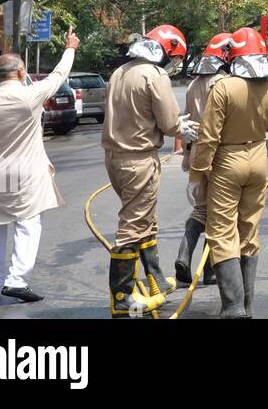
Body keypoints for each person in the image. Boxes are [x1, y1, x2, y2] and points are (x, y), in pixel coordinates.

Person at [0, 28, 80, 302]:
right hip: (27, 173)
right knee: (28, 225)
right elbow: (59, 75)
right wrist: (70, 47)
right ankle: (16, 280)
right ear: (20, 71)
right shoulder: (31, 95)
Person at [190, 27, 268, 318]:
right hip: (259, 158)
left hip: (227, 162)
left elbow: (208, 137)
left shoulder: (224, 88)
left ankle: (232, 307)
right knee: (249, 231)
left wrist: (197, 173)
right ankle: (248, 305)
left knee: (221, 232)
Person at [102, 24, 192, 317]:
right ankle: (122, 297)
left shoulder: (120, 72)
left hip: (115, 158)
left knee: (145, 221)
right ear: (166, 52)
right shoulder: (154, 75)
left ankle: (154, 281)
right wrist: (185, 129)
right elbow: (169, 123)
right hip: (138, 160)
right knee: (132, 227)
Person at [174, 33, 232, 287]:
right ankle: (210, 271)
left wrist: (187, 156)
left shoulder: (192, 85)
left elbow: (185, 125)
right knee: (218, 213)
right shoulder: (226, 83)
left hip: (196, 151)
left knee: (201, 209)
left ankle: (184, 256)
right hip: (218, 154)